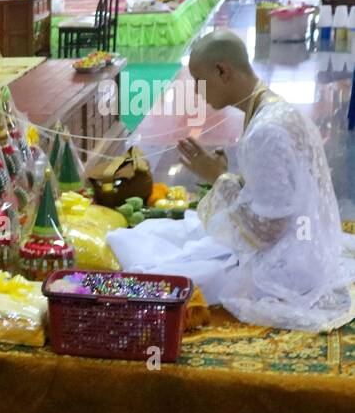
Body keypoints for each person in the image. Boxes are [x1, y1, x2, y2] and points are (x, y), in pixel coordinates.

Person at [109, 30, 355, 331]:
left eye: (200, 81)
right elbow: (277, 192)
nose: (197, 93)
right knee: (164, 233)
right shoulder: (268, 105)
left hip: (287, 267)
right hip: (298, 243)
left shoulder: (267, 130)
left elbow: (267, 232)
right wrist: (229, 178)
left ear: (222, 71)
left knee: (167, 271)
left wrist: (218, 178)